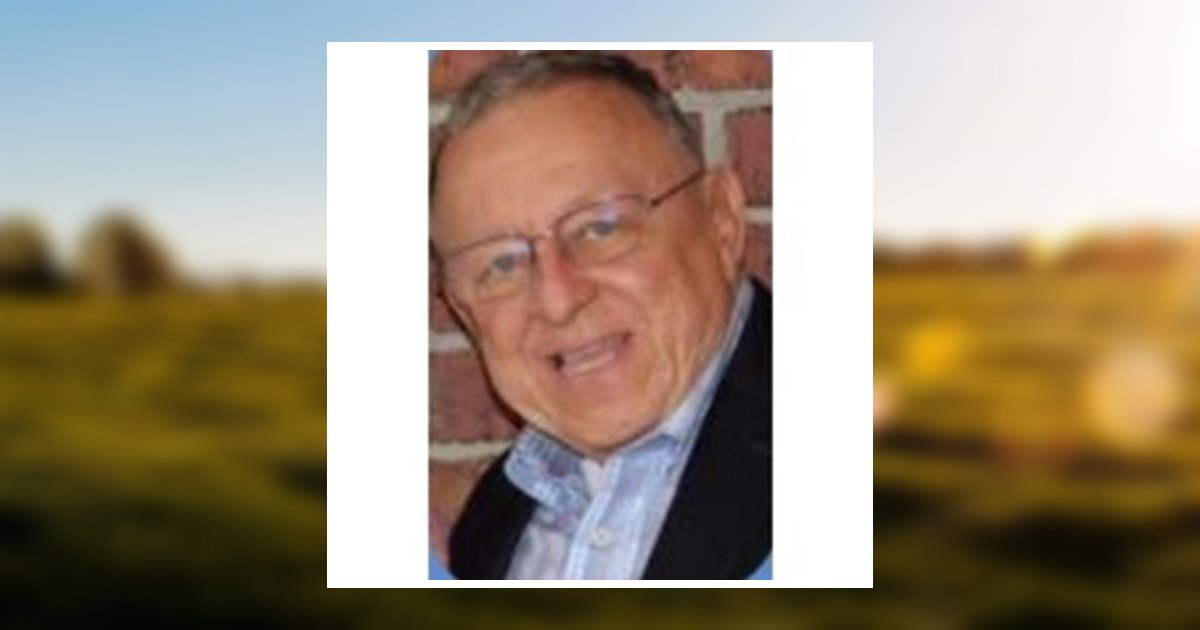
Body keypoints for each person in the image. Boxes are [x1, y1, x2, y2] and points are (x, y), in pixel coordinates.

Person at [430, 51, 771, 579]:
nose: (558, 300)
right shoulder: (487, 525)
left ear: (720, 220)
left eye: (601, 228)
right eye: (501, 264)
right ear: (464, 313)